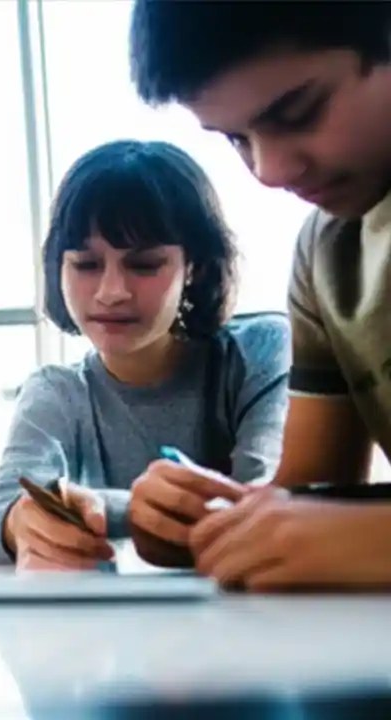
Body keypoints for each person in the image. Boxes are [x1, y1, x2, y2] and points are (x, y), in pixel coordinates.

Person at [129, 0, 391, 589]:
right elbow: (313, 493)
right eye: (236, 139)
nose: (269, 170)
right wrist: (214, 522)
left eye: (300, 111)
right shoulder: (327, 251)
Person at [0, 140, 289, 570]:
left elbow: (270, 502)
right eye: (86, 264)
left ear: (196, 268)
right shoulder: (57, 391)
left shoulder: (257, 354)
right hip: (112, 632)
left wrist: (109, 510)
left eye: (145, 265)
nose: (111, 292)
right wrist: (17, 521)